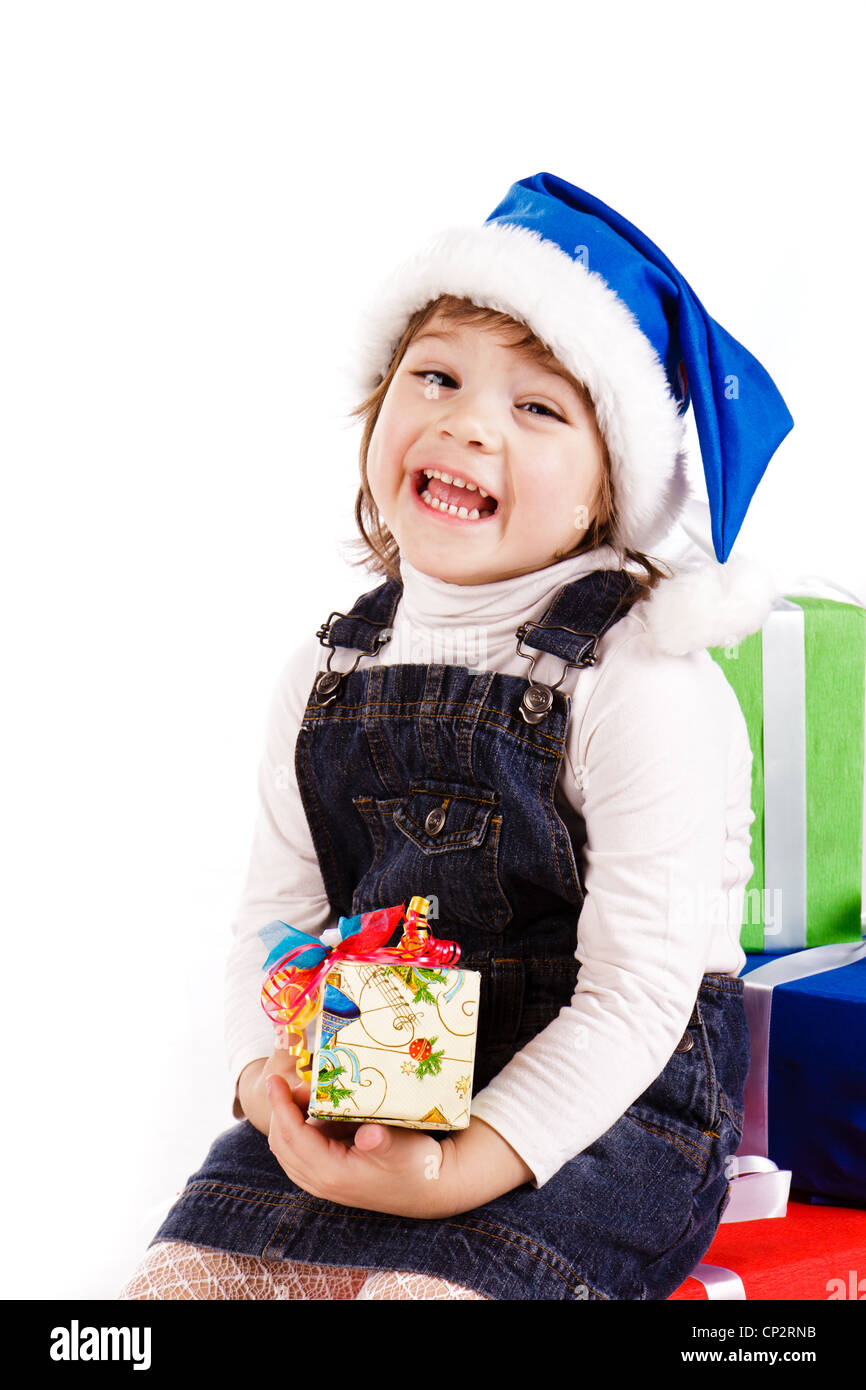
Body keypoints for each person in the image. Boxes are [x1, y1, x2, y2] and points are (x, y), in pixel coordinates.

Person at [120, 172, 792, 1301]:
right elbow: (273, 919)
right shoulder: (326, 671)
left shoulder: (641, 682)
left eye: (538, 408)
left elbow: (636, 997)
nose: (467, 419)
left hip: (602, 1106)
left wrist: (463, 1169)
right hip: (374, 1061)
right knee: (175, 1293)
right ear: (378, 412)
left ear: (604, 490)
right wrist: (259, 1081)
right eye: (434, 376)